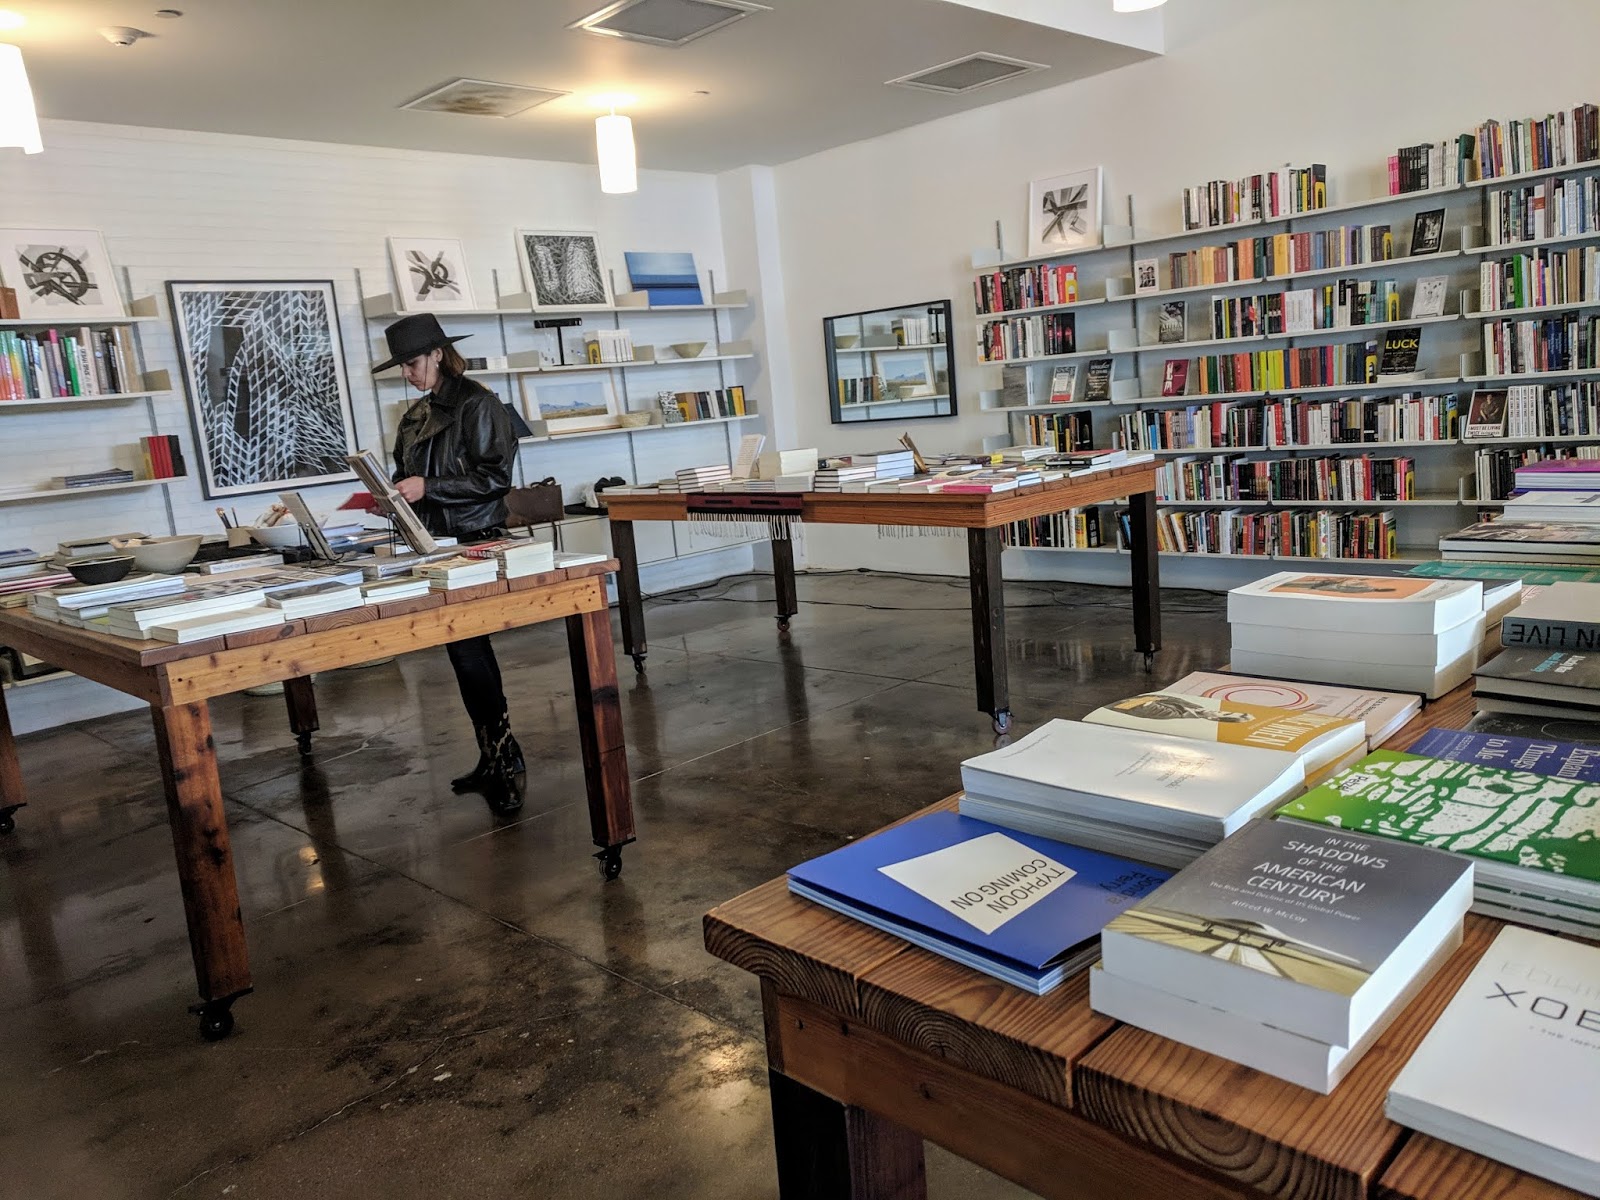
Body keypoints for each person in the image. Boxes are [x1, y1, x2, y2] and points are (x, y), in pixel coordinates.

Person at [373, 313, 525, 813]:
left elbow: (495, 479)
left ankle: (504, 759)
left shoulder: (478, 404)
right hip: (436, 543)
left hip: (476, 541)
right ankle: (493, 755)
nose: (408, 374)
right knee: (463, 652)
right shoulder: (415, 416)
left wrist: (427, 487)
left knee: (470, 652)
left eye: (413, 362)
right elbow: (405, 474)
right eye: (402, 366)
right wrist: (393, 496)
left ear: (438, 354)